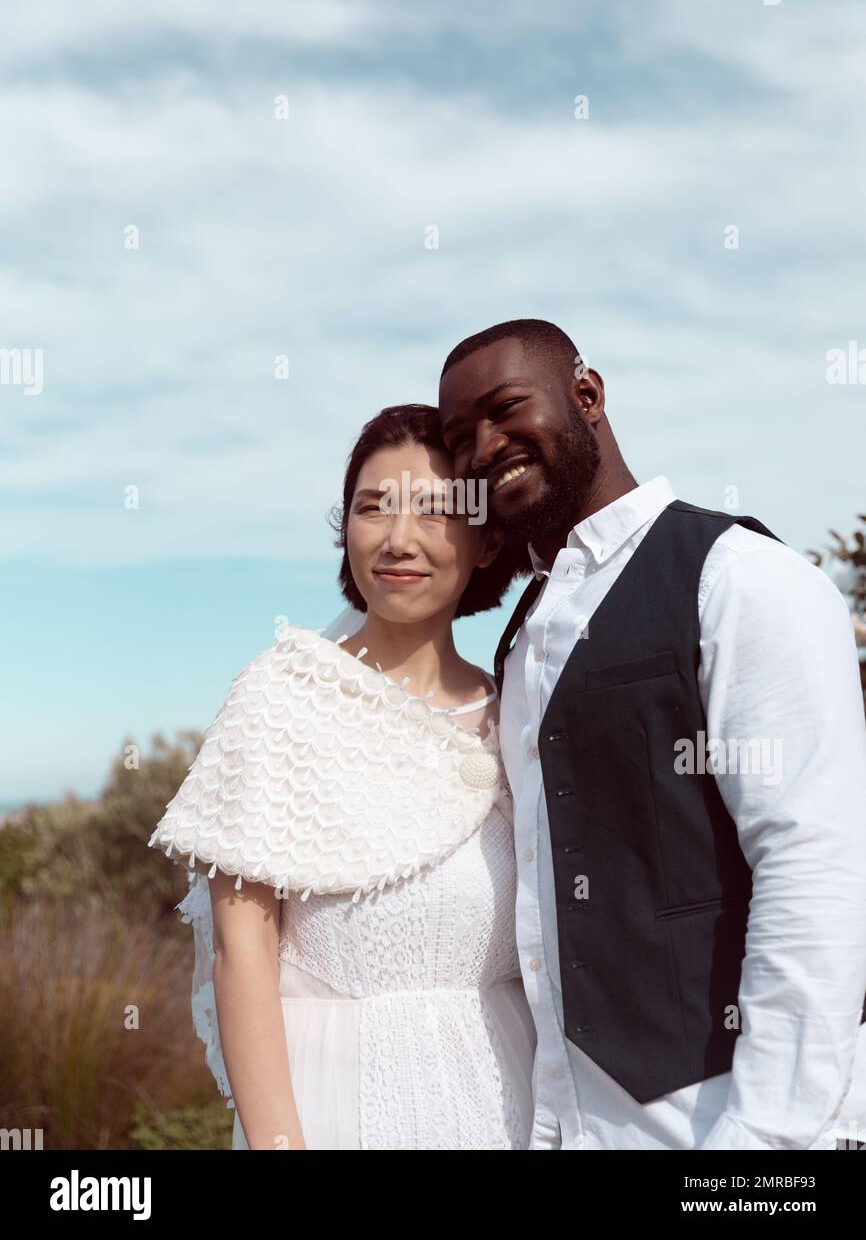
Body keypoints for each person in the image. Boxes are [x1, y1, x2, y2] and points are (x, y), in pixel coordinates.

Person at [437, 317, 866, 1151]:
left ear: (587, 395)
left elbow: (816, 869)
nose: (482, 448)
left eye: (504, 409)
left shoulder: (739, 576)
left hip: (730, 1128)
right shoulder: (523, 634)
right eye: (459, 437)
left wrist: (763, 1143)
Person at [149, 403, 537, 1150]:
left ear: (486, 541)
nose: (398, 540)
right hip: (335, 1103)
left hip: (503, 1096)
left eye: (434, 512)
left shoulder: (516, 710)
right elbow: (243, 951)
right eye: (371, 508)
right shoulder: (282, 696)